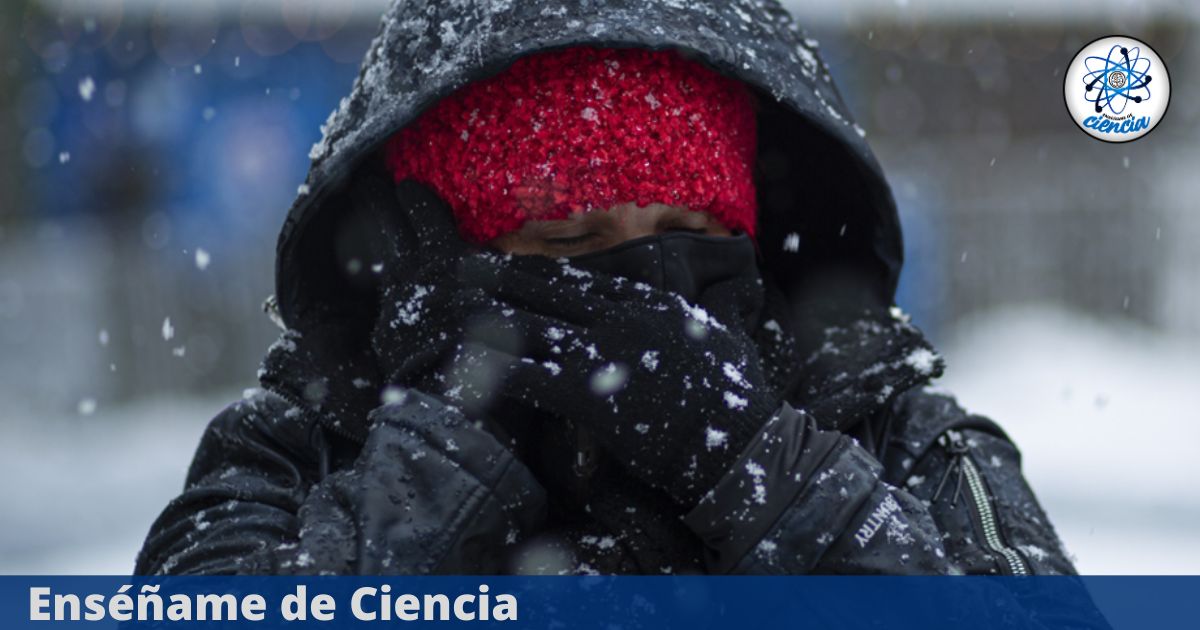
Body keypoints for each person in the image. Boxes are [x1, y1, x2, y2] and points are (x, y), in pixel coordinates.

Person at [136, 0, 1078, 578]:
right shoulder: (302, 449)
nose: (649, 290)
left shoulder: (888, 432)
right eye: (572, 239)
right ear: (445, 255)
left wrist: (760, 464)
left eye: (689, 233)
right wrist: (446, 456)